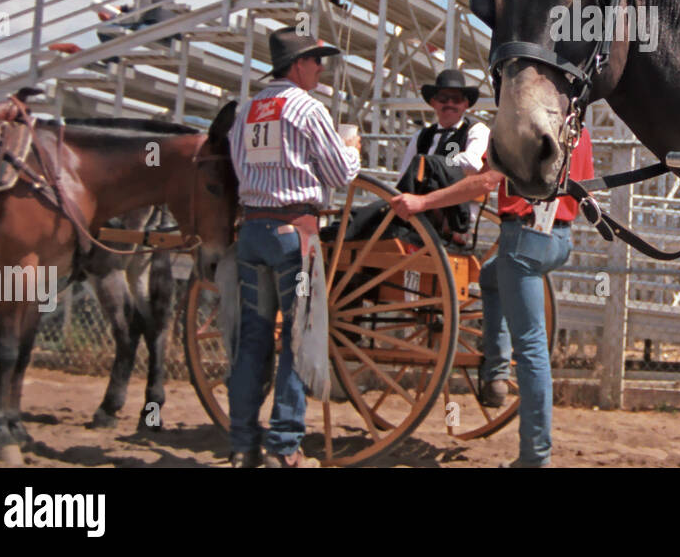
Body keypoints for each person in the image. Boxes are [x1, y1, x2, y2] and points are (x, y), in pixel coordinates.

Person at [391, 128, 593, 468]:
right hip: (559, 237)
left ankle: (534, 458)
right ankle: (496, 372)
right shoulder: (579, 128)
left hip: (523, 237)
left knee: (530, 348)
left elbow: (485, 183)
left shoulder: (522, 121)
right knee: (489, 277)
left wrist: (423, 201)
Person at [225, 26, 361, 468]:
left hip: (251, 231)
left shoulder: (246, 110)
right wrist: (351, 147)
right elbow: (341, 174)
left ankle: (242, 443)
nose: (321, 68)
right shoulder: (307, 108)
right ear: (298, 65)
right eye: (316, 60)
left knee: (253, 338)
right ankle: (284, 447)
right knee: (299, 339)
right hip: (294, 234)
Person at [350, 69, 489, 246]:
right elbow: (404, 177)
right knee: (367, 220)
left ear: (465, 104)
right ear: (433, 103)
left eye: (456, 99)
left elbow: (474, 164)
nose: (450, 104)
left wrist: (435, 165)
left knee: (423, 163)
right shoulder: (422, 136)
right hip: (418, 211)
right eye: (443, 98)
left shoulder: (476, 130)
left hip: (455, 214)